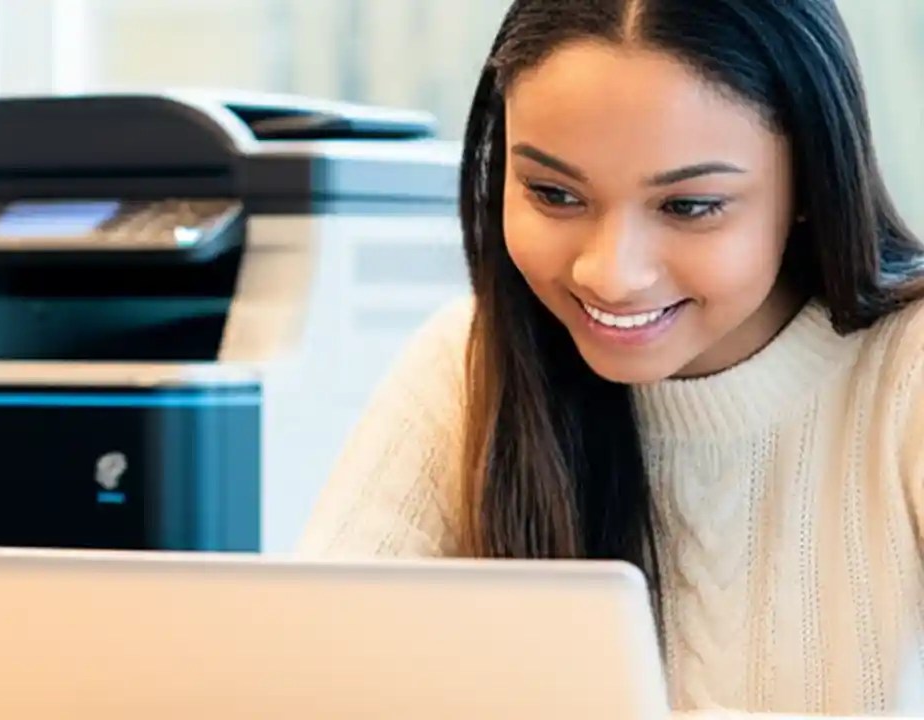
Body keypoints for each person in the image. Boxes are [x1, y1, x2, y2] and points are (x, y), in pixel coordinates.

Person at [297, 0, 924, 717]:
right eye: (555, 194)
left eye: (689, 206)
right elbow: (303, 680)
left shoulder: (909, 369)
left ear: (812, 184)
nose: (611, 275)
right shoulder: (465, 359)